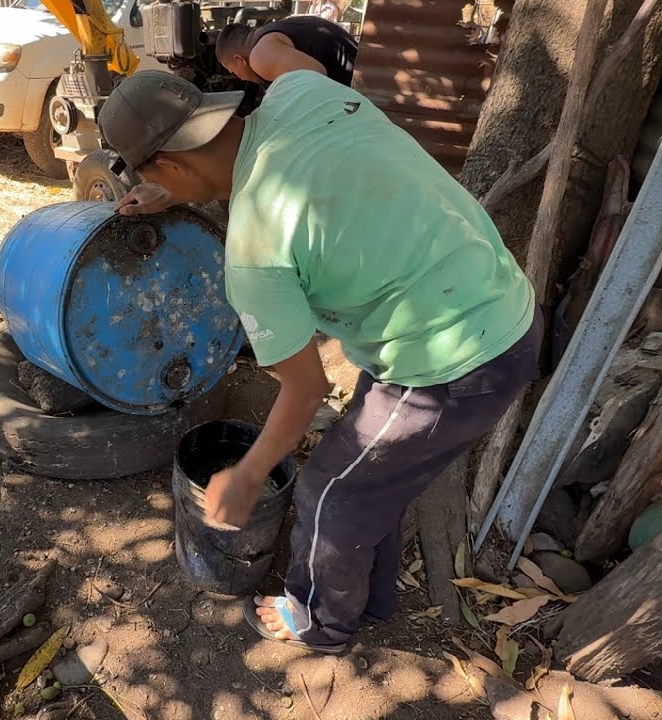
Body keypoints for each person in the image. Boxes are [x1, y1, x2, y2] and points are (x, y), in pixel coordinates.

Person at [95, 67, 539, 654]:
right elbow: (281, 65)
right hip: (495, 297)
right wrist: (178, 187)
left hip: (452, 359)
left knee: (330, 492)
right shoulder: (301, 91)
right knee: (373, 477)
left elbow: (305, 389)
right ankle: (373, 597)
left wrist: (248, 473)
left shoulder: (254, 255)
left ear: (166, 166)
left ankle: (320, 623)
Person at [215, 15, 358, 87]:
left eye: (234, 72)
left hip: (359, 90)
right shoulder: (272, 32)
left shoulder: (259, 55)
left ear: (239, 59)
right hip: (362, 73)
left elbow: (315, 78)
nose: (240, 78)